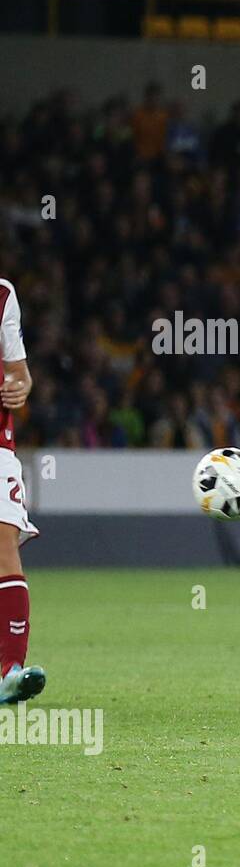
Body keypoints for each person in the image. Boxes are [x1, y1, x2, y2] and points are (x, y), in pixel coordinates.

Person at [0, 279, 45, 706]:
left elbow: (19, 373)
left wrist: (21, 384)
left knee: (4, 542)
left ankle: (10, 673)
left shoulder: (3, 295)